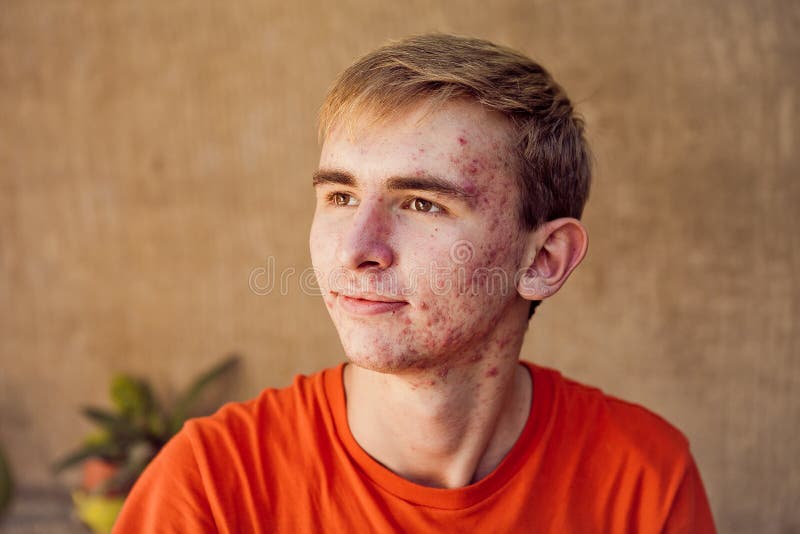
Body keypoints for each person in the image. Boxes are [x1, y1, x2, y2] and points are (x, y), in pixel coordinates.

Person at [113, 34, 716, 532]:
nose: (356, 249)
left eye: (423, 203)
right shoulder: (210, 490)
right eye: (341, 196)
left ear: (544, 259)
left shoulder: (643, 481)